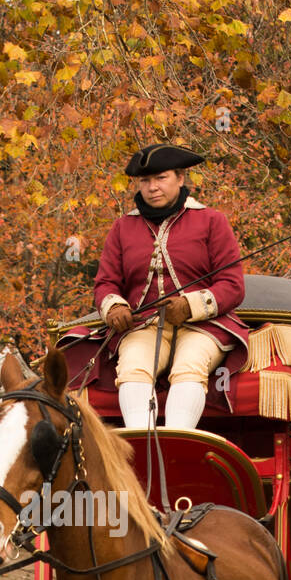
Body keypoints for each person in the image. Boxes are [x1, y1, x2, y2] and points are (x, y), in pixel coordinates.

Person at [58, 143, 249, 430]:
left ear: (180, 178)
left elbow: (233, 285)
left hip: (204, 326)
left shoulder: (212, 221)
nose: (152, 187)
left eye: (161, 178)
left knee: (190, 364)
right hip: (142, 325)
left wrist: (189, 306)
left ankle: (178, 442)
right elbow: (106, 283)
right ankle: (142, 444)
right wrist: (115, 307)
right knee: (133, 367)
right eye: (145, 180)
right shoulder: (122, 228)